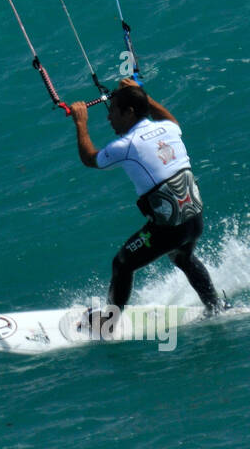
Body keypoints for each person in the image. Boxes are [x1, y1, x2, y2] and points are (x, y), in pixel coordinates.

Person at [68, 79, 227, 331]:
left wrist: (80, 123)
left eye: (113, 110)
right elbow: (169, 118)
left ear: (129, 112)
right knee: (183, 257)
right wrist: (144, 95)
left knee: (122, 263)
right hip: (194, 218)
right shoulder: (169, 129)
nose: (108, 117)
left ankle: (107, 324)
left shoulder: (126, 146)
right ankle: (215, 306)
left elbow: (89, 158)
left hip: (169, 228)